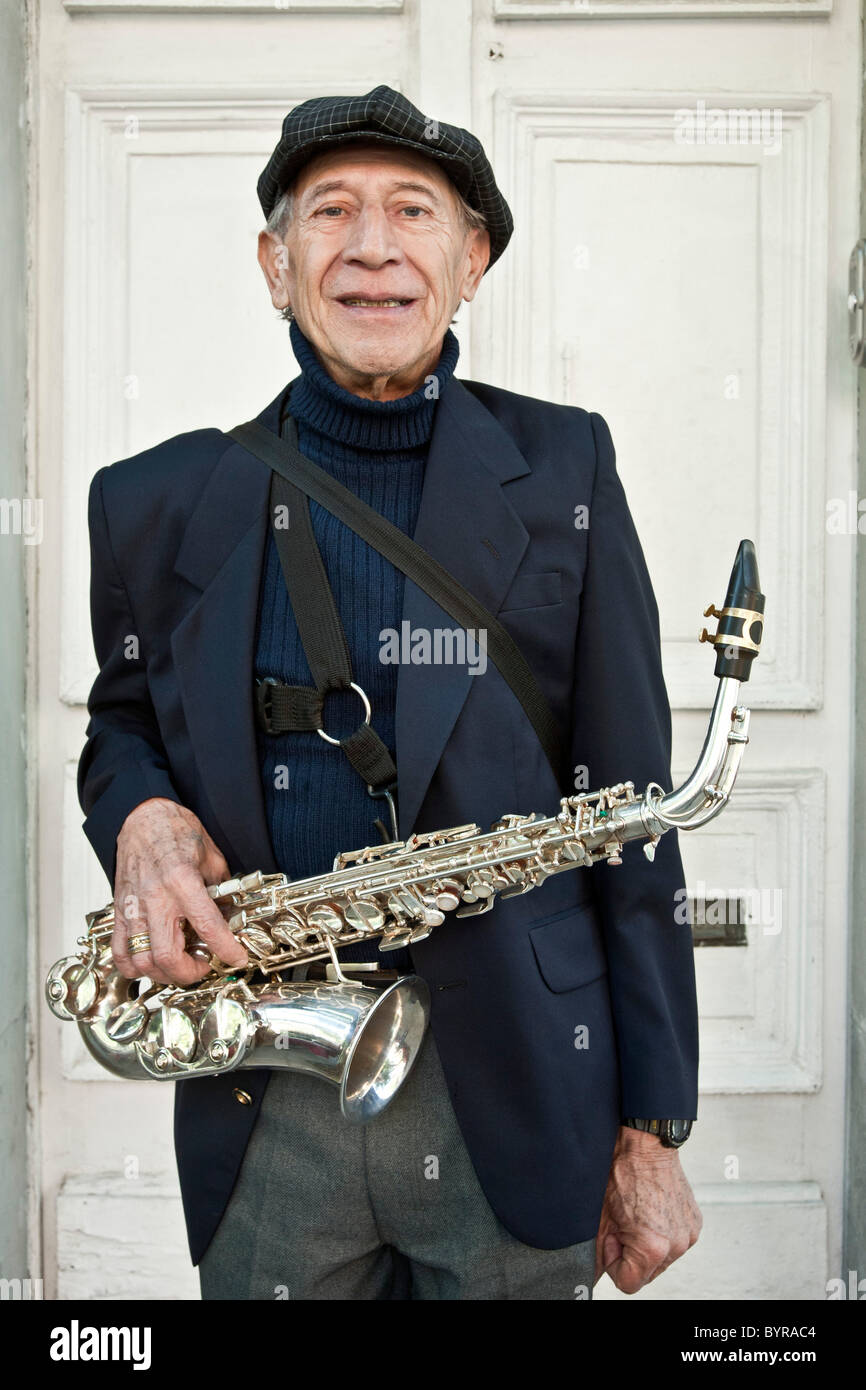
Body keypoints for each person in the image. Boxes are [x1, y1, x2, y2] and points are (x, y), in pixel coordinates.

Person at [78, 85, 702, 1301]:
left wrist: (653, 1126)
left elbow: (631, 818)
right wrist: (141, 818)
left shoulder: (566, 462)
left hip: (518, 1093)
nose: (372, 247)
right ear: (275, 262)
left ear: (470, 261)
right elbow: (124, 726)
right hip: (268, 1097)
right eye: (332, 212)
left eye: (413, 211)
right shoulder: (150, 498)